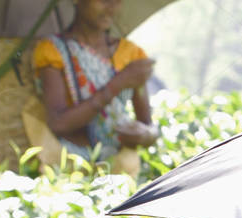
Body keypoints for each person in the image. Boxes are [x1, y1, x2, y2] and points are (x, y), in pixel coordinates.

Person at [33, 0, 158, 166]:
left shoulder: (131, 54)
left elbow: (148, 124)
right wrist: (118, 84)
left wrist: (147, 136)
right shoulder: (53, 50)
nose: (112, 7)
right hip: (74, 165)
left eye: (118, 1)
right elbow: (58, 123)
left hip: (122, 166)